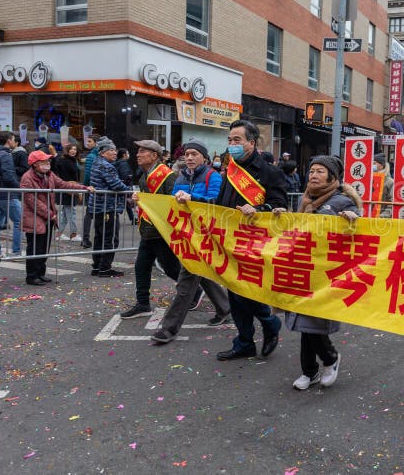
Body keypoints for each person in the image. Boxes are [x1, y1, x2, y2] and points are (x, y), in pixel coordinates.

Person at [273, 155, 360, 389]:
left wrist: (353, 220)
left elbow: (361, 230)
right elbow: (297, 229)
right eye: (312, 171)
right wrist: (284, 217)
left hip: (325, 272)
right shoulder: (305, 200)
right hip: (303, 267)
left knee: (312, 322)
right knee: (303, 321)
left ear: (333, 177)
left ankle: (330, 358)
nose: (314, 175)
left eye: (320, 171)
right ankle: (309, 371)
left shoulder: (342, 201)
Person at [214, 120, 288, 360]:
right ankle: (244, 341)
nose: (232, 144)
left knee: (247, 291)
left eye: (237, 140)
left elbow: (280, 206)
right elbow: (220, 204)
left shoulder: (270, 172)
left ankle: (269, 323)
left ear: (251, 143)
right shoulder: (230, 170)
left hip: (256, 243)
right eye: (229, 140)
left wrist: (258, 208)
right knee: (234, 292)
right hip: (230, 241)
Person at [148, 138, 231, 338]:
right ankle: (224, 307)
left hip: (205, 236)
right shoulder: (181, 177)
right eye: (187, 154)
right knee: (199, 274)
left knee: (186, 280)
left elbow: (216, 203)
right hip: (187, 235)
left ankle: (169, 328)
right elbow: (173, 202)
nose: (190, 158)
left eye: (195, 154)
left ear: (204, 157)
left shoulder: (213, 176)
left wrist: (193, 199)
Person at [20, 151, 91, 286]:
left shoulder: (49, 175)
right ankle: (32, 276)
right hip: (34, 217)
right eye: (44, 161)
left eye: (48, 161)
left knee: (44, 247)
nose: (48, 163)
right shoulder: (27, 178)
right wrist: (49, 213)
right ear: (35, 164)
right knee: (35, 248)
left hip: (48, 217)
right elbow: (31, 201)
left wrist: (83, 187)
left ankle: (41, 273)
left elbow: (64, 184)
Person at [88, 136, 130, 277]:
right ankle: (105, 269)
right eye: (111, 150)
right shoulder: (106, 166)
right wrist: (130, 189)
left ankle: (97, 267)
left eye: (115, 150)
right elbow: (116, 185)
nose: (114, 153)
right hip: (107, 208)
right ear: (102, 152)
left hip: (98, 207)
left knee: (99, 237)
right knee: (110, 238)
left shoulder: (96, 162)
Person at [0, 130, 22, 264]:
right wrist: (19, 187)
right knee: (20, 222)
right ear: (8, 140)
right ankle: (16, 252)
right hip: (8, 194)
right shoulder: (6, 155)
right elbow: (8, 176)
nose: (14, 141)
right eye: (13, 139)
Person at [55, 143, 82, 241]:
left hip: (70, 189)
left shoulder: (72, 160)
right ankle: (73, 234)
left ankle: (59, 234)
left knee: (66, 215)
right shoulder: (64, 161)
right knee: (71, 213)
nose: (73, 151)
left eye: (75, 149)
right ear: (67, 150)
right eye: (71, 149)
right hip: (68, 190)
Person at [81, 134, 101, 248]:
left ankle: (85, 238)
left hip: (92, 188)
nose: (87, 144)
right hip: (96, 188)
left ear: (96, 143)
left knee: (89, 213)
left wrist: (85, 186)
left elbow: (87, 175)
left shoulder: (91, 156)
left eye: (89, 141)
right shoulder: (97, 155)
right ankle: (86, 238)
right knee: (92, 213)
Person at [115, 148, 136, 224]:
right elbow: (125, 175)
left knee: (125, 202)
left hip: (121, 186)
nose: (128, 155)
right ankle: (114, 217)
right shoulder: (124, 164)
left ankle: (133, 218)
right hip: (124, 186)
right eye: (127, 153)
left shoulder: (118, 163)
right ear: (124, 155)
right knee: (121, 203)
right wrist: (128, 183)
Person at [371, 153, 394, 218]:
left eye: (374, 163)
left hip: (381, 219)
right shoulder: (368, 179)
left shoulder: (389, 182)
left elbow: (392, 202)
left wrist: (382, 216)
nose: (372, 165)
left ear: (381, 166)